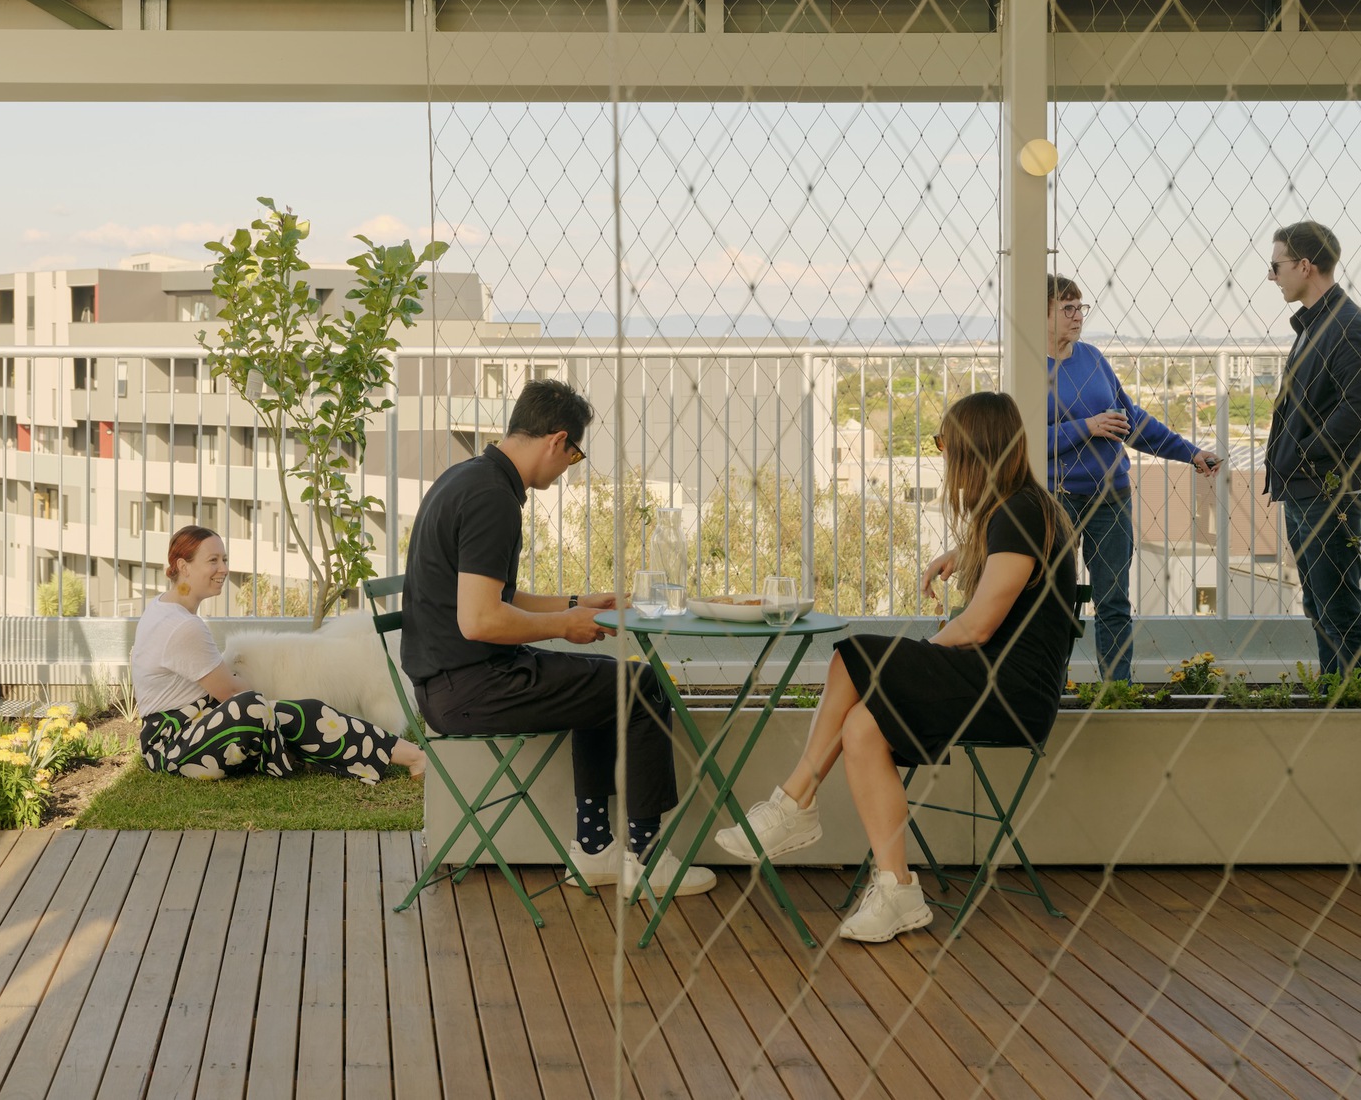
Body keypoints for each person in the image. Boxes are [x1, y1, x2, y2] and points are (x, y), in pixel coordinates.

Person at [716, 392, 1077, 943]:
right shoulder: (1018, 511)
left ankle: (794, 803)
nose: (942, 457)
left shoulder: (1023, 512)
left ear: (974, 451)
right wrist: (962, 552)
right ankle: (897, 890)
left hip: (1011, 692)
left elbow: (979, 625)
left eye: (945, 446)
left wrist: (918, 659)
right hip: (988, 683)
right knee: (863, 726)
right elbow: (1011, 575)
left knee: (855, 653)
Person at [400, 379, 713, 899]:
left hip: (452, 683)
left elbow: (499, 596)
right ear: (557, 439)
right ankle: (648, 859)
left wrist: (574, 605)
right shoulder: (492, 499)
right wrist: (563, 627)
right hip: (473, 685)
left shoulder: (466, 479)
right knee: (639, 687)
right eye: (575, 454)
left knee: (608, 689)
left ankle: (595, 852)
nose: (571, 465)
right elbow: (479, 621)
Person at [130, 525, 425, 782]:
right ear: (184, 567)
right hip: (174, 745)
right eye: (213, 561)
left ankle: (384, 752)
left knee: (288, 712)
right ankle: (409, 755)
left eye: (224, 559)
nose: (223, 568)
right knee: (270, 709)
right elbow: (230, 691)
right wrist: (275, 704)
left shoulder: (163, 609)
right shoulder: (183, 626)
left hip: (180, 734)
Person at [1046, 273, 1220, 682]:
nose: (1077, 316)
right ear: (1043, 315)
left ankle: (1116, 691)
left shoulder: (1092, 358)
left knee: (1113, 602)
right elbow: (1023, 438)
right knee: (1053, 601)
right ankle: (1050, 688)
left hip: (1110, 497)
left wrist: (1190, 453)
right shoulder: (1028, 365)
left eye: (1080, 307)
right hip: (1057, 500)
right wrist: (1084, 427)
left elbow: (1131, 421)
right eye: (1067, 308)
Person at [1264, 222, 1361, 675]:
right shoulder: (1315, 324)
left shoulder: (1345, 325)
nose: (1272, 276)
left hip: (1328, 489)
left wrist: (1303, 453)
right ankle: (1333, 699)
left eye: (1277, 265)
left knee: (1338, 608)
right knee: (1322, 607)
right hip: (1308, 488)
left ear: (1305, 265)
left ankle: (1346, 708)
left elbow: (1357, 405)